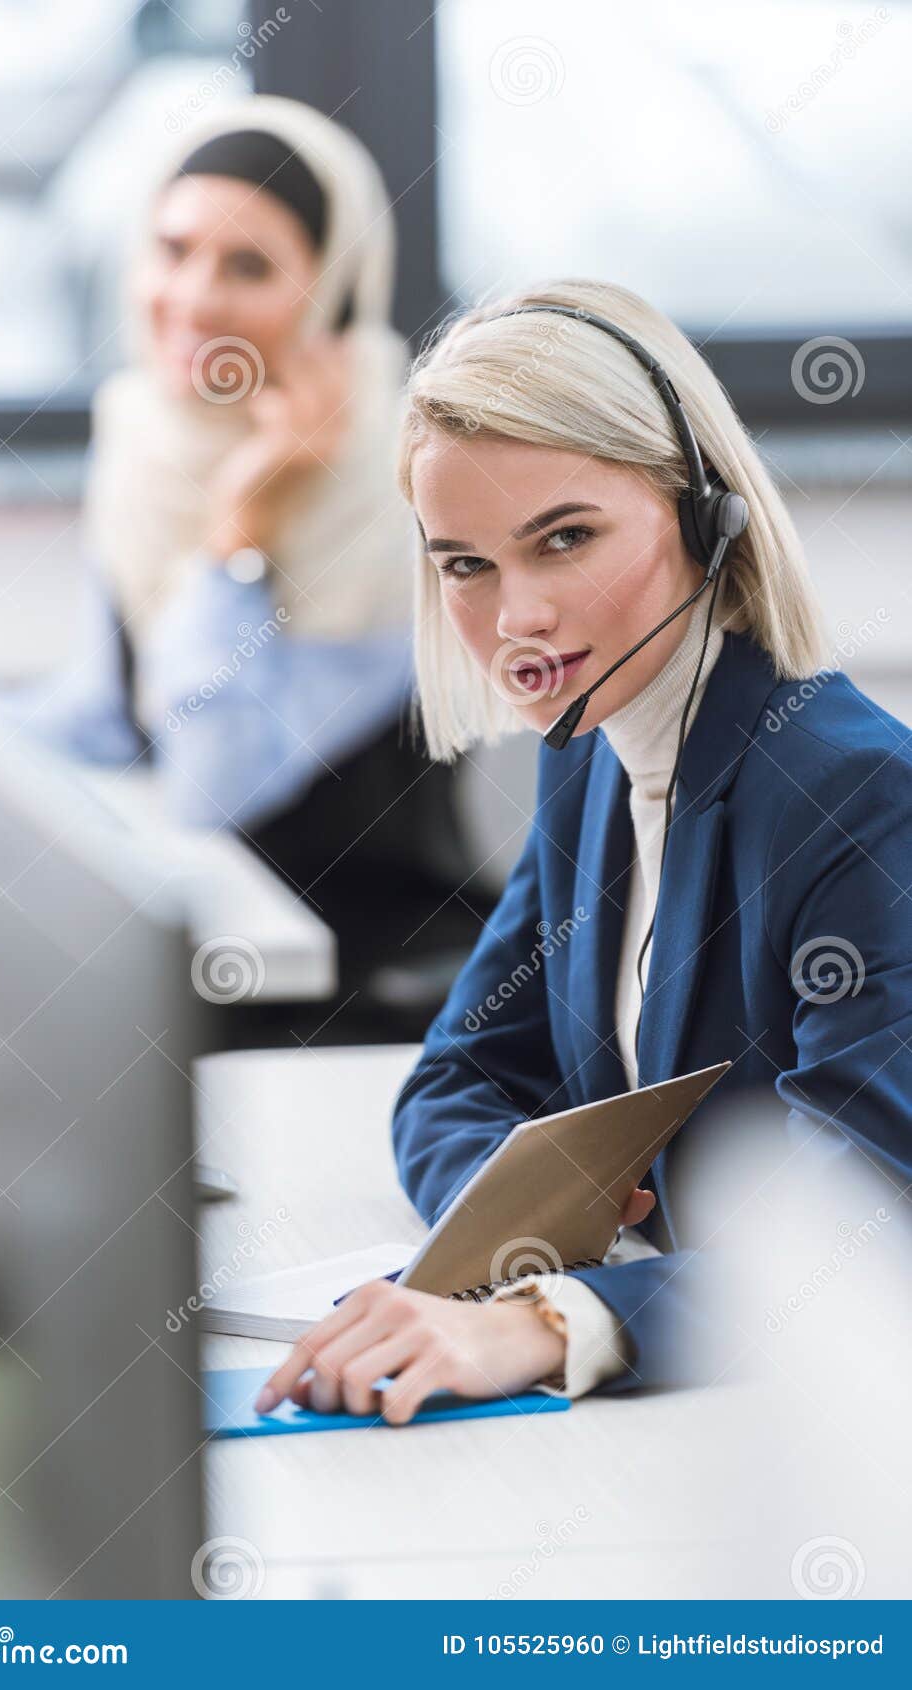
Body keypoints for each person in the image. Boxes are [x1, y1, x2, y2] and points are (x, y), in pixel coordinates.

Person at [255, 278, 912, 1423]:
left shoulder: (857, 796)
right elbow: (460, 1078)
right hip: (703, 1409)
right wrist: (540, 1239)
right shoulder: (594, 748)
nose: (517, 621)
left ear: (710, 518)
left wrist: (543, 1319)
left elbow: (861, 1235)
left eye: (565, 539)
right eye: (465, 564)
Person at [25, 97, 491, 1035]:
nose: (193, 298)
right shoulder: (145, 441)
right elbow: (106, 717)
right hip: (197, 951)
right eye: (173, 248)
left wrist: (245, 522)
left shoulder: (408, 491)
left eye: (248, 266)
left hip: (355, 1006)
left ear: (336, 292)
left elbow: (210, 780)